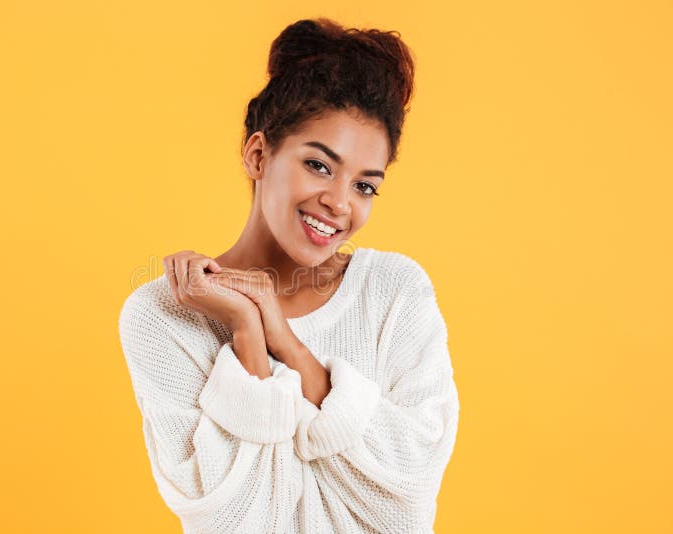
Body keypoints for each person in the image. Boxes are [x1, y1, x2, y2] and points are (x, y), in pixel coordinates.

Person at [118, 17, 460, 534]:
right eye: (319, 166)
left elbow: (406, 504)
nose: (339, 204)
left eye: (365, 187)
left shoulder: (396, 293)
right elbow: (233, 523)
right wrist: (247, 337)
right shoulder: (163, 317)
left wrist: (288, 345)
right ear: (258, 154)